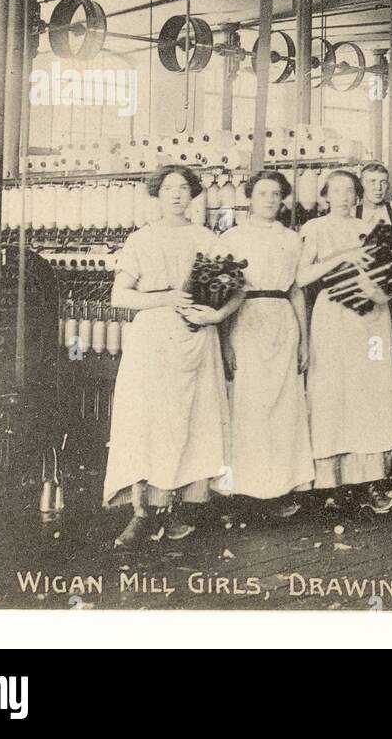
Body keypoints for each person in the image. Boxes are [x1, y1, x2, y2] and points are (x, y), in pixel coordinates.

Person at [103, 165, 243, 549]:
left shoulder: (208, 238)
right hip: (153, 340)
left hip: (198, 338)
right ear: (157, 194)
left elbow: (236, 289)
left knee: (195, 421)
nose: (177, 195)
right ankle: (142, 512)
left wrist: (217, 315)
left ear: (194, 194)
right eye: (169, 188)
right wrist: (167, 298)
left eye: (184, 188)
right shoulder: (141, 240)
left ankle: (187, 507)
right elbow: (120, 297)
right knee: (148, 424)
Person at [297, 169, 392, 514]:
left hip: (371, 321)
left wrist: (380, 293)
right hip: (332, 317)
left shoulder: (371, 229)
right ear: (325, 196)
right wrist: (343, 255)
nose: (343, 197)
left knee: (371, 392)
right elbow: (302, 277)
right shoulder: (314, 229)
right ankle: (331, 485)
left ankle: (372, 481)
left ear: (358, 197)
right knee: (331, 394)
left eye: (350, 191)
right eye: (336, 191)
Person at [217, 170, 315, 517]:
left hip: (282, 320)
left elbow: (297, 290)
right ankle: (244, 491)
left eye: (276, 194)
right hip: (245, 319)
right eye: (262, 193)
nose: (270, 200)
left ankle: (281, 488)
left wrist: (303, 340)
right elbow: (224, 292)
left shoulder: (293, 239)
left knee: (283, 406)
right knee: (247, 404)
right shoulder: (231, 238)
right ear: (250, 197)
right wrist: (226, 340)